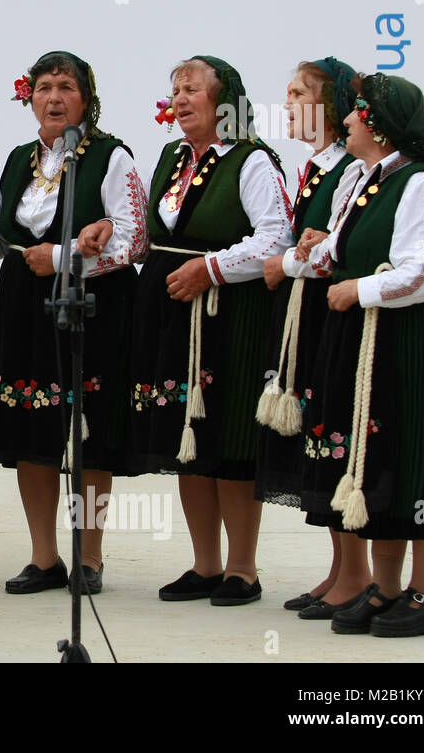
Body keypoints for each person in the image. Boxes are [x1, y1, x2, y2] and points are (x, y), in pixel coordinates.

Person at [0, 50, 146, 595]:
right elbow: (1, 237)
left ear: (86, 98)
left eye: (66, 87)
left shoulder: (112, 156)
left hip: (92, 303)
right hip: (27, 302)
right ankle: (44, 556)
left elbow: (134, 239)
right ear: (29, 99)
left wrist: (68, 255)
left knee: (86, 431)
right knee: (32, 429)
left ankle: (89, 556)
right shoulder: (21, 158)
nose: (53, 97)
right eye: (44, 87)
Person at [300, 73, 424, 637]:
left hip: (419, 338)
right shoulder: (372, 179)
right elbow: (339, 250)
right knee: (381, 461)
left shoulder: (421, 183)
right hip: (381, 336)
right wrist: (307, 257)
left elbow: (422, 272)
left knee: (420, 457)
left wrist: (357, 290)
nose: (345, 119)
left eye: (356, 112)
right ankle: (387, 589)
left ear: (377, 123)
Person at [129, 55, 293, 605]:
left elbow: (275, 238)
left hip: (231, 319)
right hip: (175, 314)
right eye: (175, 88)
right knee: (189, 438)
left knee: (229, 440)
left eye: (192, 89)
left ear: (225, 103)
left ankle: (242, 569)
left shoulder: (251, 162)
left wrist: (211, 269)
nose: (179, 98)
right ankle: (205, 564)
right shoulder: (173, 158)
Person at [253, 58, 369, 619]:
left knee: (335, 438)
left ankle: (358, 573)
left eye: (299, 93)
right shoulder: (319, 166)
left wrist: (292, 258)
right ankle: (340, 569)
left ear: (329, 105)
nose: (289, 102)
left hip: (329, 316)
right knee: (319, 442)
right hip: (308, 311)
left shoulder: (349, 166)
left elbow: (339, 250)